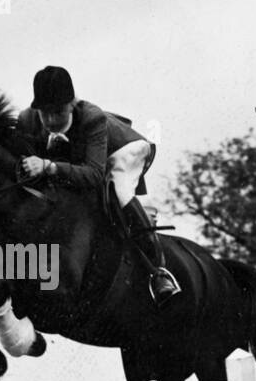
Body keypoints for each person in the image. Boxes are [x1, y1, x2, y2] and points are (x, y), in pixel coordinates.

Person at [18, 66, 181, 305]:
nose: (51, 121)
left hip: (123, 150)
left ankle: (158, 270)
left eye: (58, 112)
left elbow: (94, 174)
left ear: (72, 104)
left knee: (118, 191)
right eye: (45, 113)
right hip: (79, 159)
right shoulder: (26, 120)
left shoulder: (93, 118)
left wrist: (49, 166)